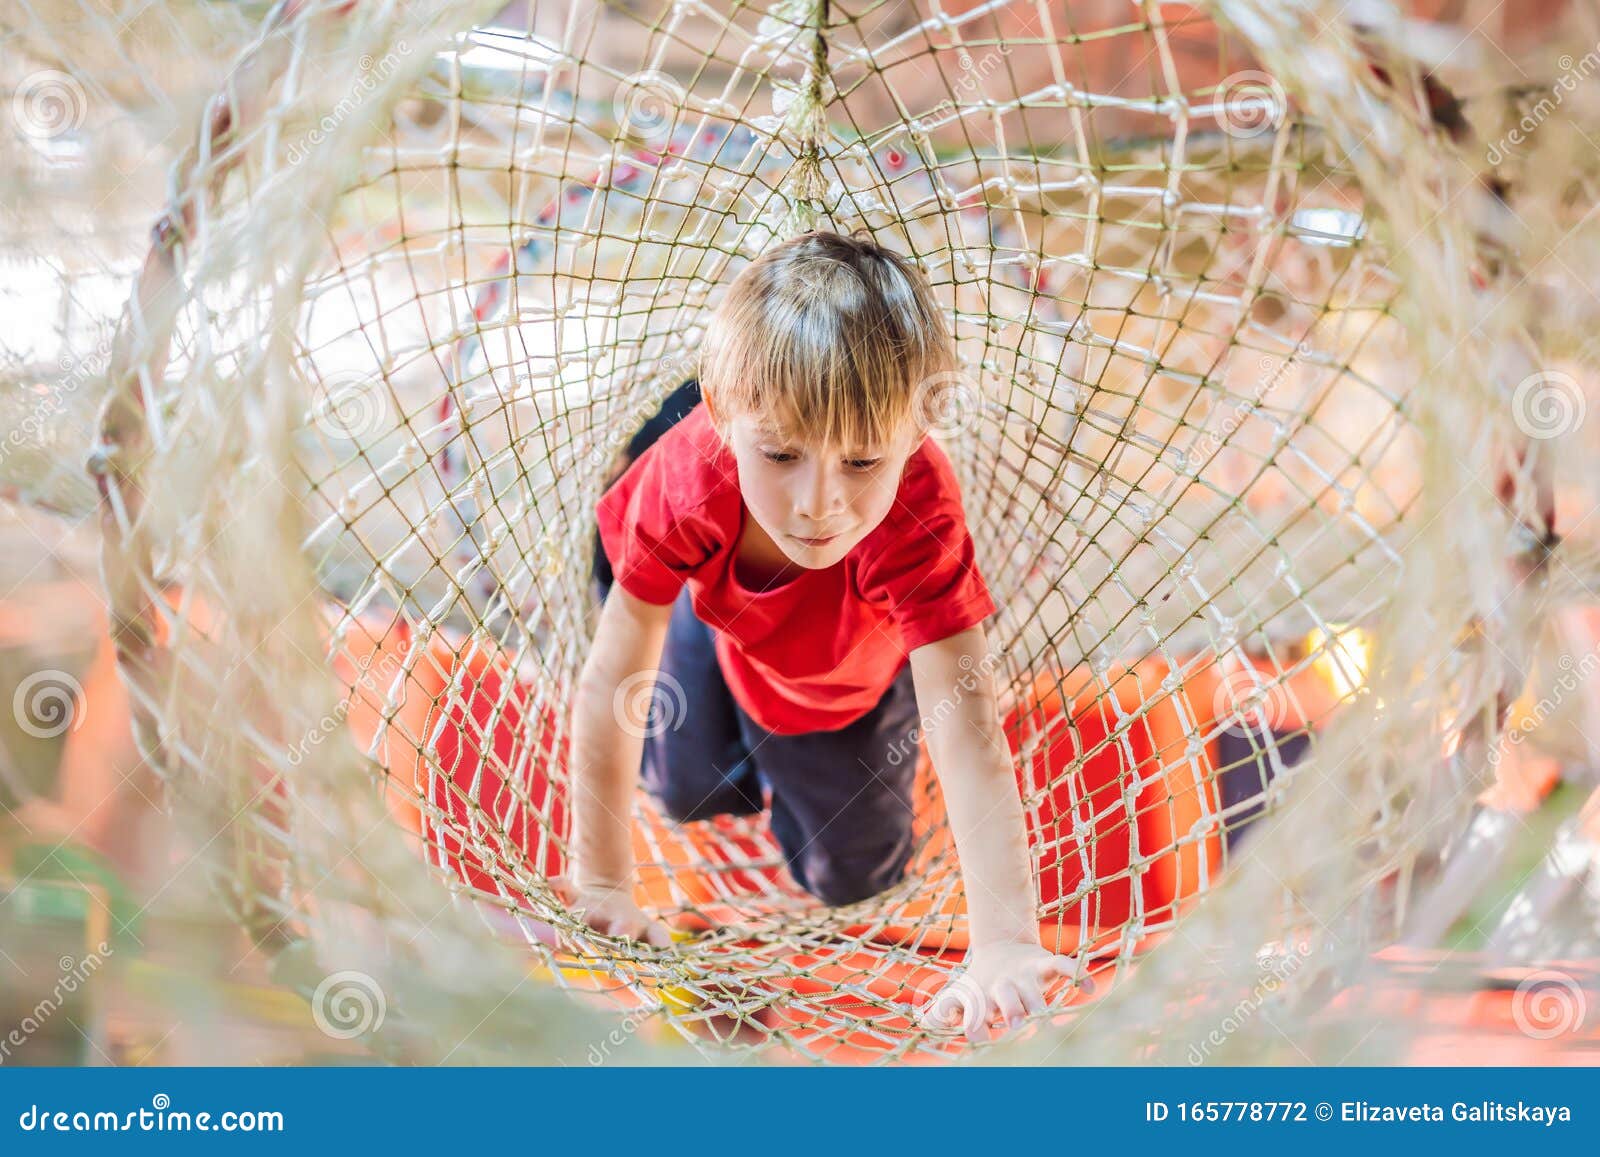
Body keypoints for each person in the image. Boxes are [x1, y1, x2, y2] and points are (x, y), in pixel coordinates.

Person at [555, 229, 1075, 1039]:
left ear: (919, 425)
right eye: (782, 453)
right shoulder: (689, 475)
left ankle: (794, 747)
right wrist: (603, 879)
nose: (819, 502)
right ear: (724, 415)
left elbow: (968, 725)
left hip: (848, 681)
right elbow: (613, 673)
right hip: (724, 633)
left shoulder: (919, 512)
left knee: (851, 879)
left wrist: (1004, 940)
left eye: (864, 461)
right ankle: (711, 647)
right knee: (683, 792)